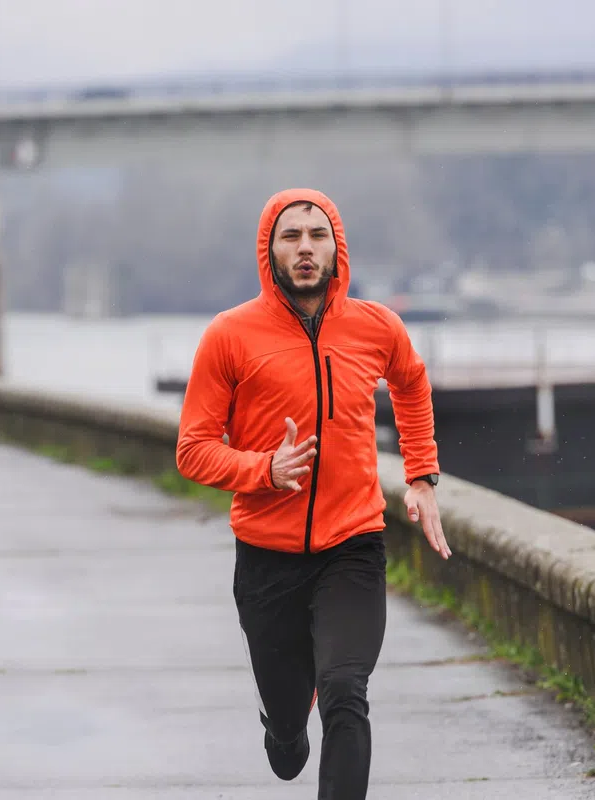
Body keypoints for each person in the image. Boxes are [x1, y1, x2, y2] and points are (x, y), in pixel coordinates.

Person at [175, 188, 450, 799]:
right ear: (269, 250)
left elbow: (411, 382)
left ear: (336, 248)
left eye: (317, 235)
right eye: (291, 236)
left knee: (346, 691)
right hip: (266, 559)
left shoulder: (375, 326)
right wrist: (263, 470)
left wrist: (421, 475)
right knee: (288, 746)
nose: (306, 248)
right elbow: (192, 448)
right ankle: (283, 725)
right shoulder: (230, 336)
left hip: (352, 545)